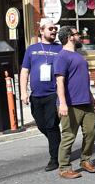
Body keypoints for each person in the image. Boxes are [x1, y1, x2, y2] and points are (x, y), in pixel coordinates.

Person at [54, 26, 95, 180]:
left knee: (91, 132)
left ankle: (85, 160)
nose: (79, 36)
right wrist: (62, 103)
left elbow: (82, 79)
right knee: (69, 136)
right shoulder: (62, 56)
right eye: (76, 34)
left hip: (86, 102)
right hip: (71, 104)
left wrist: (91, 97)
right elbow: (60, 82)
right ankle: (64, 167)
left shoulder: (78, 55)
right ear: (69, 37)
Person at [20, 19, 63, 171]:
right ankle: (58, 144)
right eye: (50, 28)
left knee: (51, 126)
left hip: (53, 94)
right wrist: (24, 92)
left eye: (55, 29)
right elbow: (25, 71)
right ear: (41, 30)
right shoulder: (31, 49)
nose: (54, 31)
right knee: (41, 125)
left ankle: (54, 159)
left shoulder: (60, 49)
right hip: (36, 95)